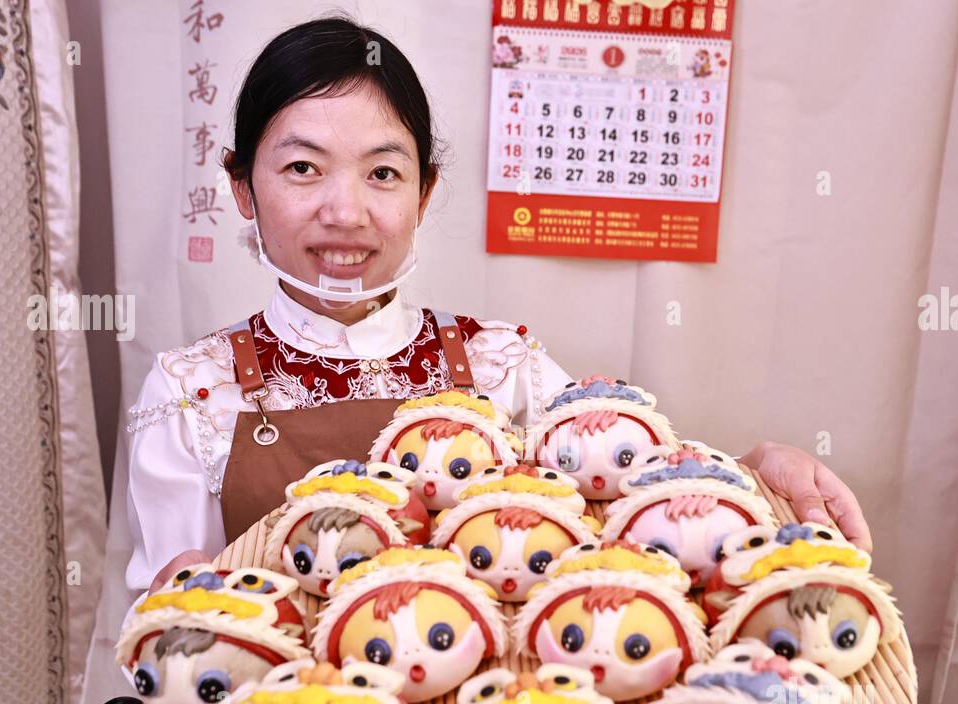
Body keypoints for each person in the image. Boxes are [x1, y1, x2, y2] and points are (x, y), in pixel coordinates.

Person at [125, 17, 871, 598]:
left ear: (424, 192)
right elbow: (164, 639)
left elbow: (640, 506)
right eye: (301, 168)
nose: (345, 210)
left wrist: (750, 469)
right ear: (242, 189)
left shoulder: (500, 365)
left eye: (383, 172)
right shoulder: (193, 393)